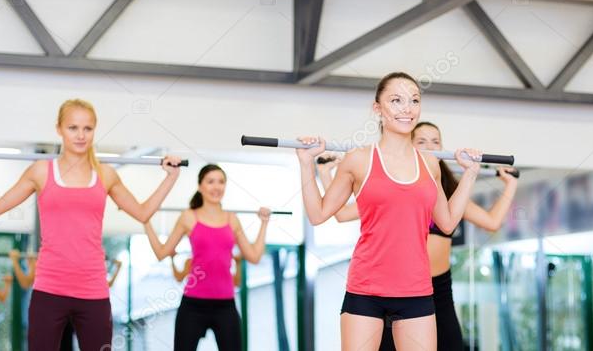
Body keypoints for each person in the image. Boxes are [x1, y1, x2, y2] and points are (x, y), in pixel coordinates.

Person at [0, 98, 182, 349]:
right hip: (49, 289)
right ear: (59, 129)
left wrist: (170, 178)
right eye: (73, 128)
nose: (80, 135)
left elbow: (143, 213)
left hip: (93, 291)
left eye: (88, 128)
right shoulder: (41, 171)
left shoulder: (105, 174)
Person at [296, 72, 482, 350]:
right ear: (377, 108)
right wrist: (305, 164)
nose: (407, 108)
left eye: (414, 100)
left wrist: (470, 174)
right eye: (396, 100)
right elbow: (318, 213)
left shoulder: (429, 165)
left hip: (416, 292)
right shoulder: (358, 159)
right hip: (365, 291)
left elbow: (447, 222)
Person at [319, 121, 519, 350]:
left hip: (437, 290)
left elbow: (492, 222)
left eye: (436, 142)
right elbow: (341, 213)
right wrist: (326, 174)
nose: (430, 147)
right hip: (394, 287)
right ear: (409, 146)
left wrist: (510, 185)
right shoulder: (393, 187)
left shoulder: (451, 190)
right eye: (422, 141)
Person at [141, 164, 271, 351]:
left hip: (225, 305)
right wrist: (146, 222)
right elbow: (162, 252)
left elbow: (255, 256)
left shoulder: (232, 219)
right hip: (193, 305)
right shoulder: (188, 217)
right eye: (210, 182)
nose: (216, 187)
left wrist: (264, 224)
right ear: (200, 186)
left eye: (221, 182)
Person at [8, 249, 123, 351]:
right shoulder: (43, 263)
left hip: (64, 311)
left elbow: (105, 284)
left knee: (66, 344)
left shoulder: (76, 266)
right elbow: (26, 282)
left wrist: (15, 261)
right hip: (47, 311)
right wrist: (15, 261)